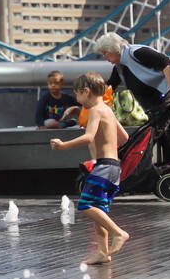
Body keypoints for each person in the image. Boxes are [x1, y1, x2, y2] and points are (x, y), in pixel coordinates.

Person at [50, 72, 131, 266]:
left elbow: (88, 137)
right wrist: (107, 141)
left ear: (86, 92)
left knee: (86, 205)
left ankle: (118, 233)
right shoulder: (108, 110)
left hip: (103, 166)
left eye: (77, 95)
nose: (77, 100)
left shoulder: (96, 109)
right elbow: (125, 137)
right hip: (114, 167)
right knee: (99, 211)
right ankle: (102, 252)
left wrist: (63, 145)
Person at [95, 32, 170, 165]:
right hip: (156, 108)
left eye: (106, 53)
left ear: (114, 49)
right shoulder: (120, 66)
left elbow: (165, 62)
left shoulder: (136, 53)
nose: (105, 57)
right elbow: (110, 86)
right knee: (165, 141)